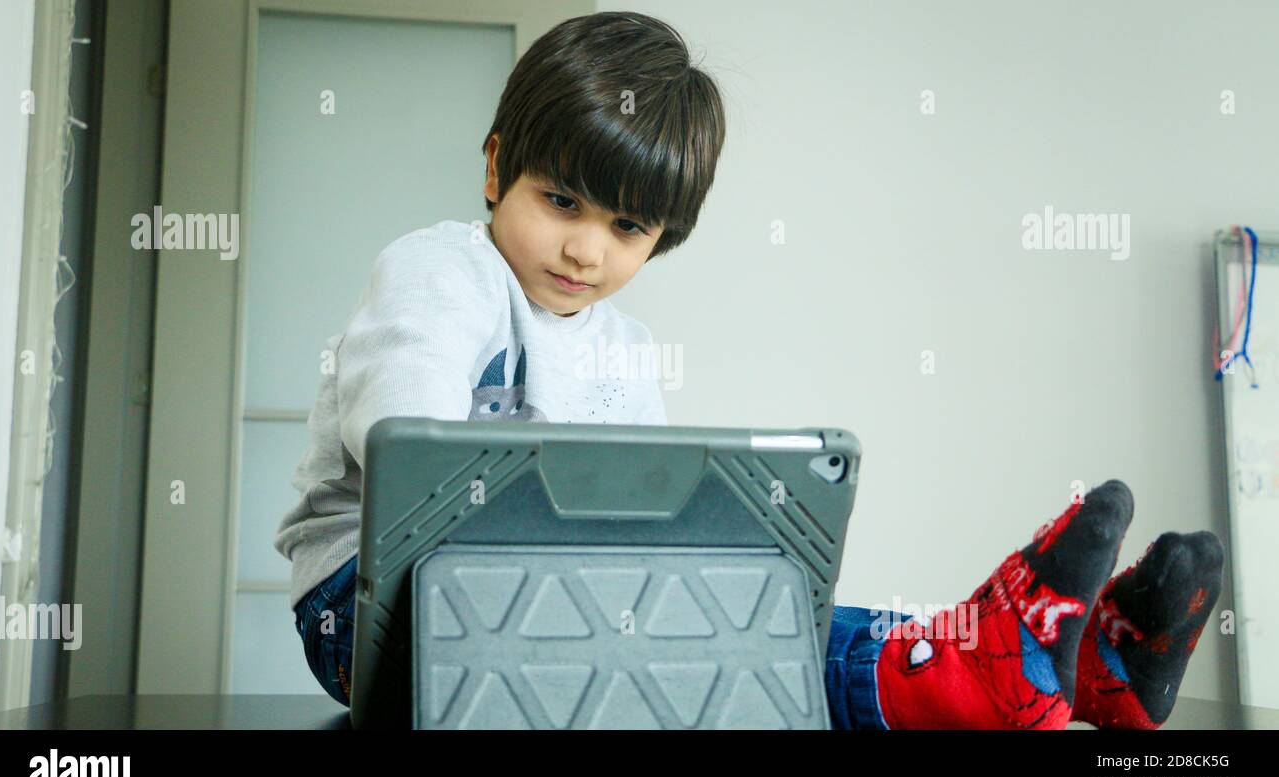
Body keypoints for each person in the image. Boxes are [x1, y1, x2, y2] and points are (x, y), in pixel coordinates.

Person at [279, 11, 1223, 730]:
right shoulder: (443, 271)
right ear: (496, 170)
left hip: (545, 595)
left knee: (745, 621)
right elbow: (407, 437)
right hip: (373, 606)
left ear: (662, 235)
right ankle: (966, 672)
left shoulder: (624, 348)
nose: (584, 249)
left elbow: (641, 526)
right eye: (560, 200)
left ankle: (1081, 666)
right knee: (701, 643)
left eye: (626, 226)